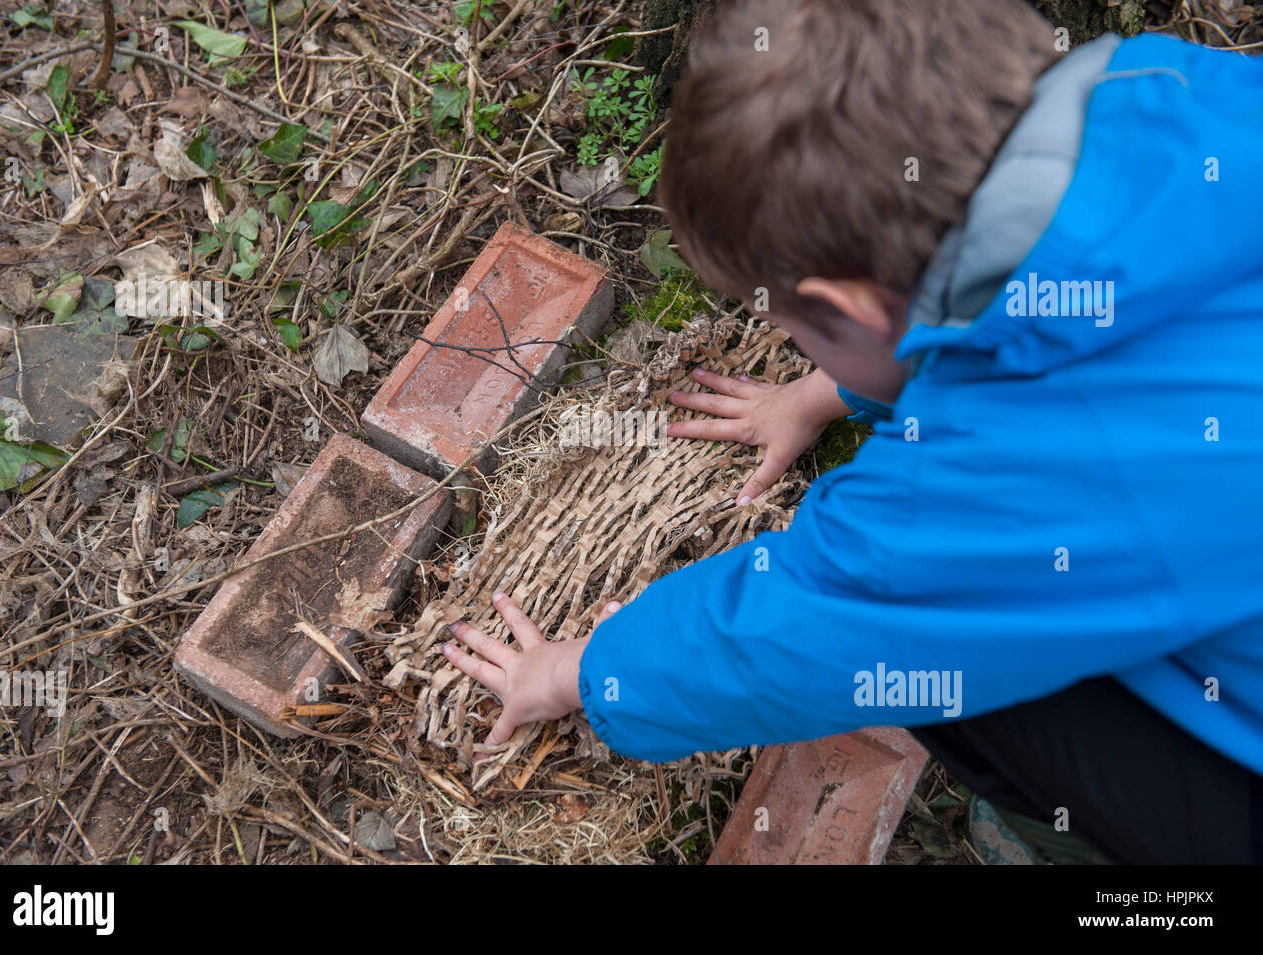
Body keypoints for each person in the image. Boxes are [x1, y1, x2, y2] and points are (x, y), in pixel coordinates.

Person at [443, 0, 1263, 863]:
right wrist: (827, 392)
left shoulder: (1005, 476)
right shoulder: (1184, 91)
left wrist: (581, 673)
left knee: (951, 677)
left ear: (848, 307)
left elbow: (800, 630)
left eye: (803, 330)